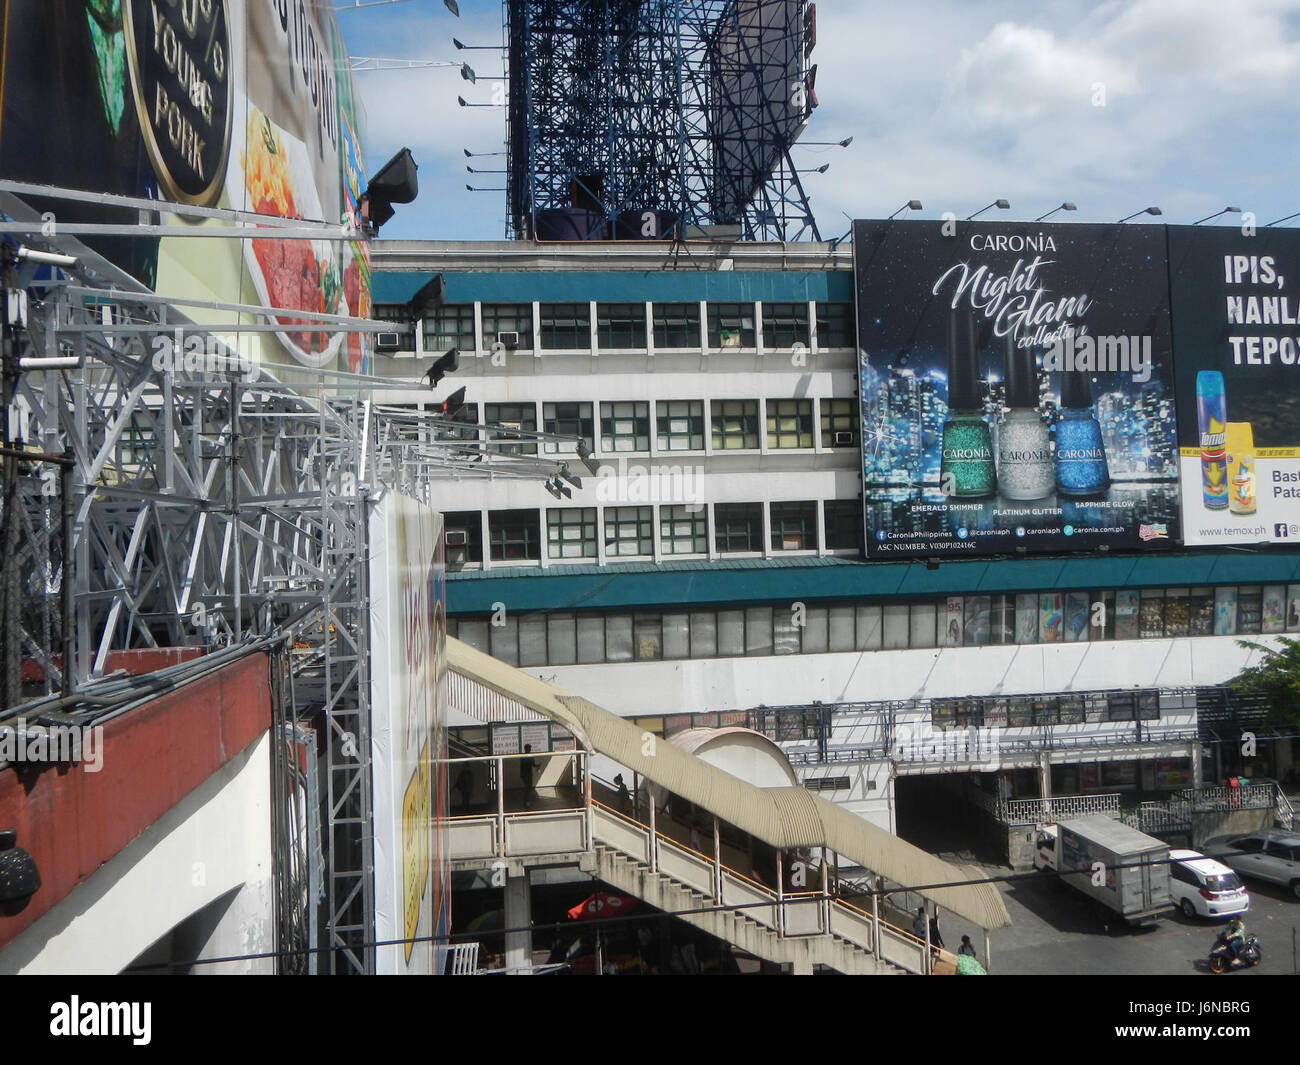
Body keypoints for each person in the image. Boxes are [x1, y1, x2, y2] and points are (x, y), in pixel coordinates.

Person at [520, 744, 536, 809]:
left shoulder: (530, 756)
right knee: (527, 788)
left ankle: (527, 801)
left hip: (528, 774)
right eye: (529, 748)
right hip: (525, 775)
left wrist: (537, 765)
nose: (529, 749)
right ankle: (526, 802)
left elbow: (533, 765)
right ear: (526, 749)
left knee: (528, 788)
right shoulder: (524, 757)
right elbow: (524, 765)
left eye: (530, 748)